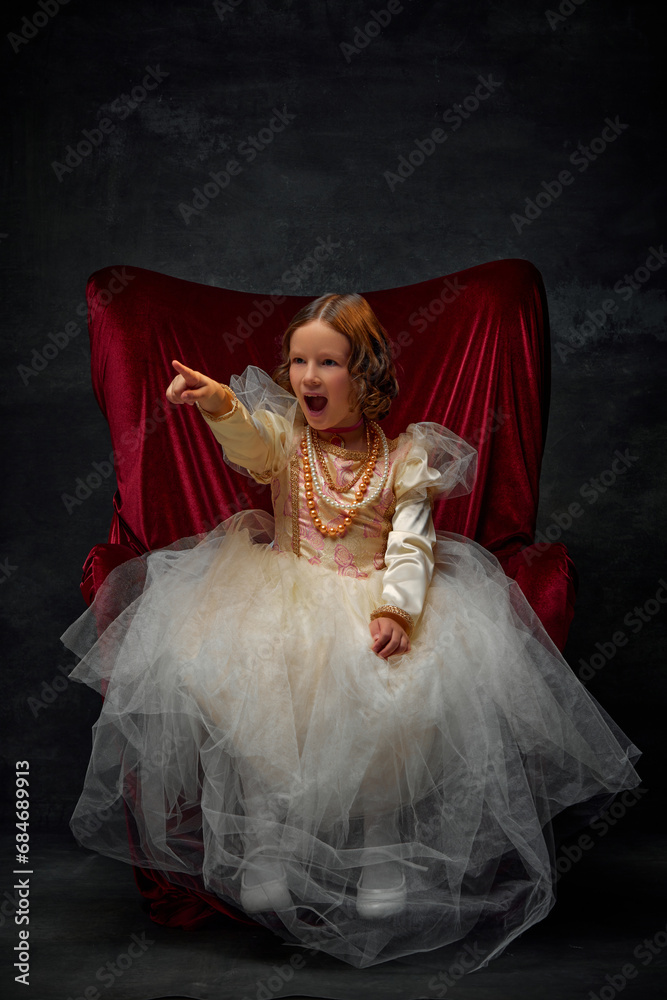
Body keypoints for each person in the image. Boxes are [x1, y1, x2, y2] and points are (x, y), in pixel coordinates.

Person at [62, 293, 641, 971]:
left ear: (362, 376)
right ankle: (269, 837)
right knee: (259, 699)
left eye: (327, 363)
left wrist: (395, 609)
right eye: (298, 361)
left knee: (390, 704)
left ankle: (380, 846)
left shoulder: (405, 458)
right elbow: (250, 446)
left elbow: (413, 544)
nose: (308, 376)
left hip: (370, 596)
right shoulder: (286, 441)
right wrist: (222, 406)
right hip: (280, 587)